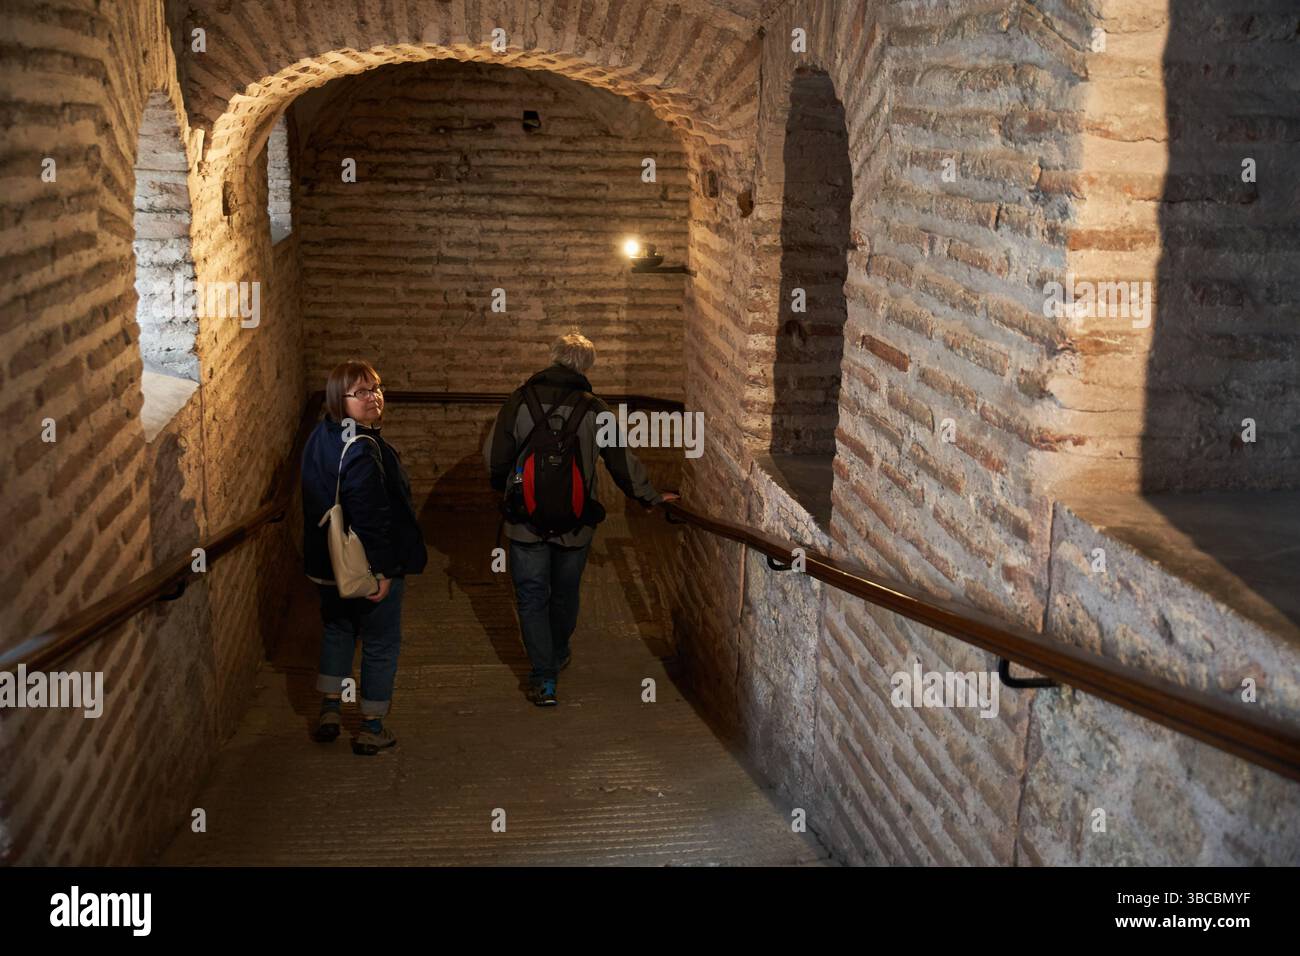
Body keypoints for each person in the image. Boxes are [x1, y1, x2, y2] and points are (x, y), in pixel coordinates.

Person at [485, 331, 679, 706]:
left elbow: (494, 457)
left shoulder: (519, 401)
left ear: (552, 358)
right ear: (587, 365)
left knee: (530, 596)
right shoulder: (595, 409)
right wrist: (648, 497)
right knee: (565, 592)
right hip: (576, 523)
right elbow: (621, 460)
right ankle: (557, 653)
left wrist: (508, 490)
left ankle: (544, 676)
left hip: (525, 521)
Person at [301, 360, 427, 754]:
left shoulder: (321, 435)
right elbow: (372, 517)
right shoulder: (361, 448)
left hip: (327, 564)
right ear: (341, 398)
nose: (374, 398)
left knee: (338, 630)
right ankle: (371, 725)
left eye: (376, 388)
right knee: (380, 641)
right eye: (361, 392)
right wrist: (385, 571)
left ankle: (330, 710)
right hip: (362, 566)